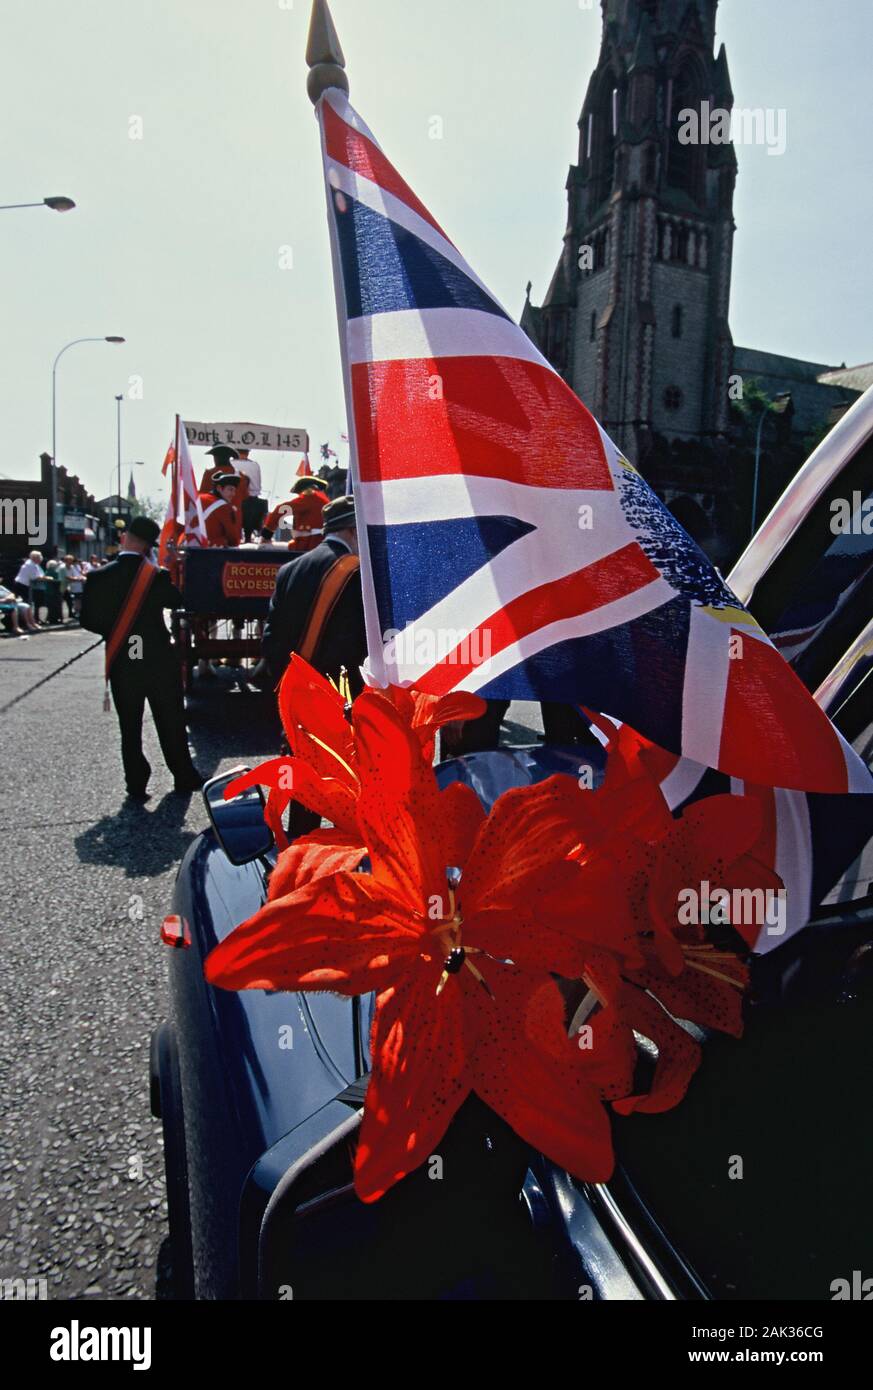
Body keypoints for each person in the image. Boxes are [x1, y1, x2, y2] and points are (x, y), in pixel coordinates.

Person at [79, 516, 204, 801]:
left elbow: (87, 619)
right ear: (149, 546)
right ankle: (183, 774)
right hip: (157, 659)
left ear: (125, 538)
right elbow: (175, 601)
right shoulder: (155, 575)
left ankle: (136, 782)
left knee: (130, 725)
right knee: (170, 719)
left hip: (125, 658)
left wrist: (115, 630)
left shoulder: (98, 577)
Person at [260, 494, 366, 691]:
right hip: (337, 692)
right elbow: (357, 641)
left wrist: (283, 679)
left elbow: (272, 636)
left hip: (293, 687)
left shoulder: (289, 569)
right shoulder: (356, 571)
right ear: (354, 531)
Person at [260, 486, 329, 551]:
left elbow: (280, 509)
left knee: (264, 547)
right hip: (323, 544)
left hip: (306, 544)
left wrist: (266, 536)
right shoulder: (324, 500)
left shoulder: (309, 498)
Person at [197, 472, 243, 548]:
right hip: (208, 550)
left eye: (234, 490)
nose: (233, 494)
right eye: (230, 489)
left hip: (186, 545)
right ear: (219, 488)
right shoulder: (224, 507)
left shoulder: (198, 498)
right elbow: (233, 539)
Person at [235, 448, 267, 540]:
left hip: (236, 498)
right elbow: (258, 484)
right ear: (248, 453)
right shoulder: (255, 465)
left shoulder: (232, 464)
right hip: (253, 499)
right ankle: (248, 536)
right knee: (249, 530)